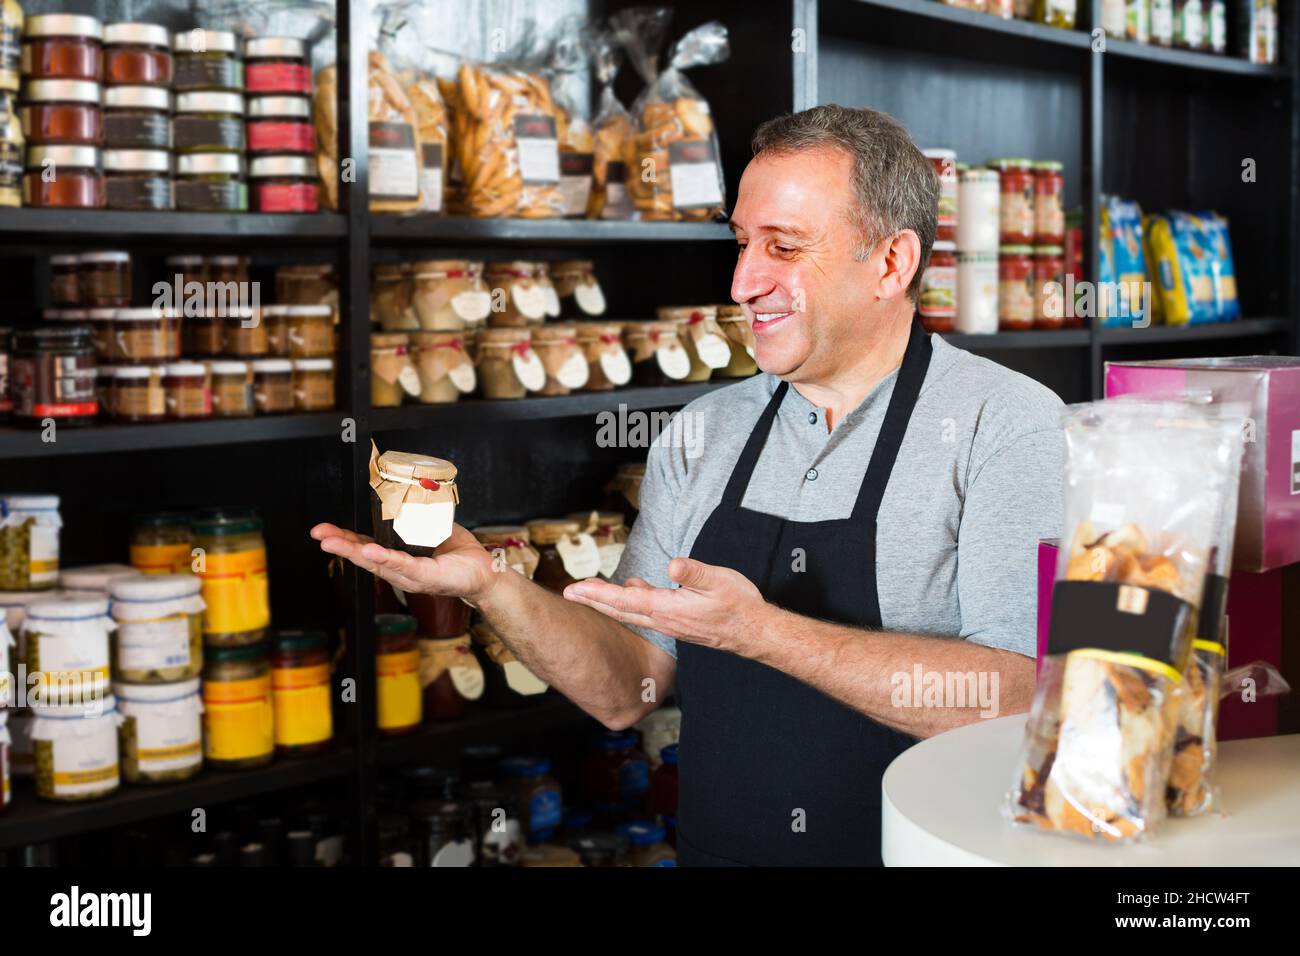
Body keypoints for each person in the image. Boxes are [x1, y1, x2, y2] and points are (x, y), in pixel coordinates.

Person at [313, 104, 1065, 866]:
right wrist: (491, 587)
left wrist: (759, 631)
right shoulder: (702, 432)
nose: (743, 282)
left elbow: (1015, 697)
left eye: (785, 247)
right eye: (741, 243)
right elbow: (626, 689)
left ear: (892, 262)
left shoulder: (1005, 424)